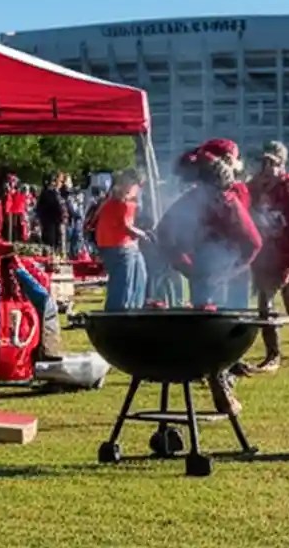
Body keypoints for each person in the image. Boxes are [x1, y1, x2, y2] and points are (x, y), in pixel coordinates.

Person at [155, 145, 262, 414]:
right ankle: (220, 386)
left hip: (209, 271)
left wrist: (186, 265)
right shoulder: (227, 202)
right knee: (221, 337)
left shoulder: (190, 200)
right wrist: (230, 270)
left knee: (205, 331)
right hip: (218, 273)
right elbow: (254, 243)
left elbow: (163, 233)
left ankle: (216, 381)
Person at [243, 141, 289, 373]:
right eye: (263, 163)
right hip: (265, 255)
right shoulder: (254, 187)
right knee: (265, 304)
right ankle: (273, 354)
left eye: (272, 163)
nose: (266, 168)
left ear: (283, 166)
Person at [93, 169, 148, 311]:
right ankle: (119, 315)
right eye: (138, 185)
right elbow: (126, 226)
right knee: (123, 285)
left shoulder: (122, 198)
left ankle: (134, 310)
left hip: (124, 245)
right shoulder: (119, 200)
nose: (138, 189)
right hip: (117, 246)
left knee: (139, 277)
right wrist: (144, 235)